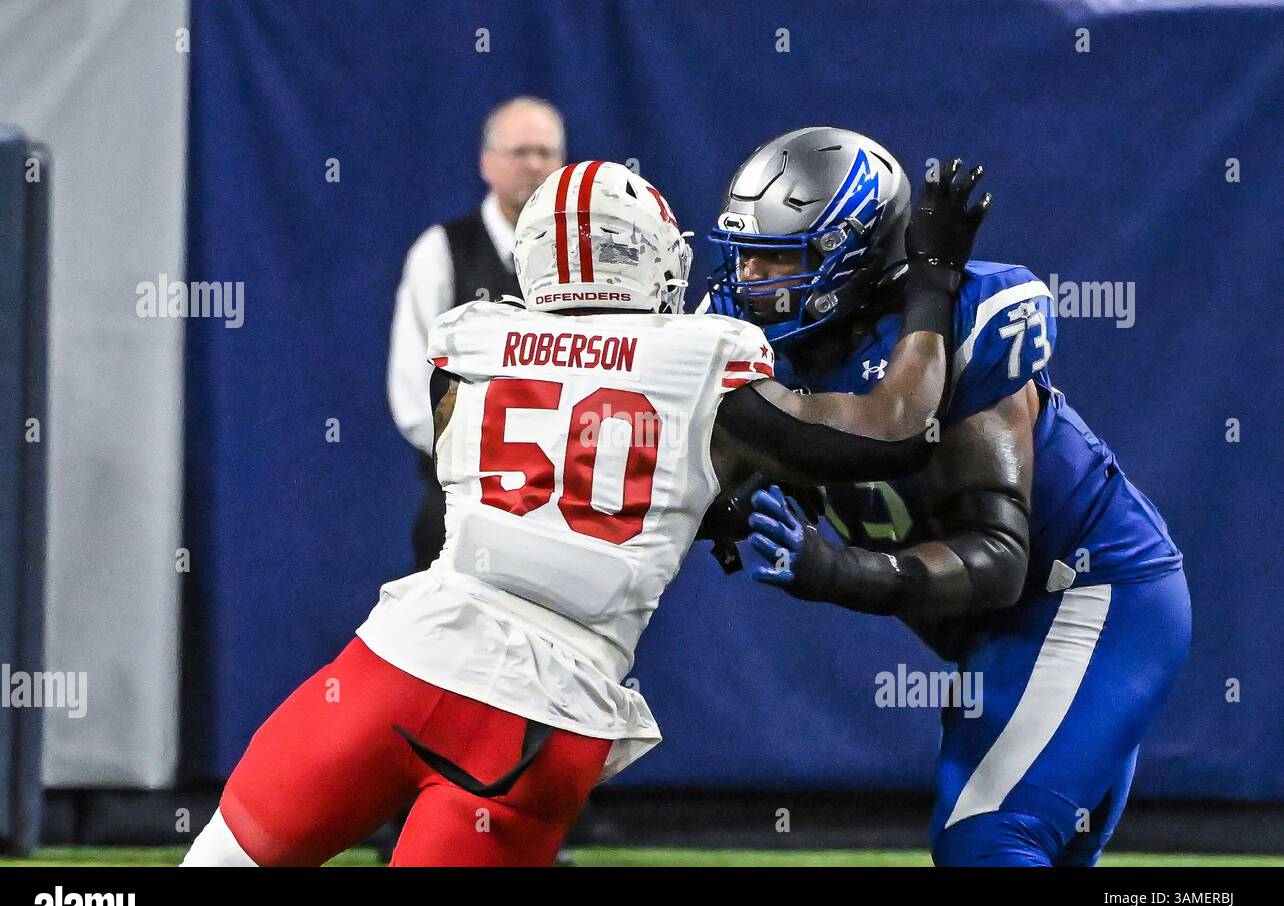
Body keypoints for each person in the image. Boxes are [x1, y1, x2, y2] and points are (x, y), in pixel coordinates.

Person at [182, 155, 985, 866]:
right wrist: (933, 280)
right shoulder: (703, 363)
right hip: (542, 714)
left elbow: (548, 453)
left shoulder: (470, 344)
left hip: (398, 663)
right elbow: (897, 430)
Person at [709, 127, 1190, 866]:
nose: (752, 278)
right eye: (745, 254)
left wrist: (835, 570)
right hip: (993, 633)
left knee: (988, 837)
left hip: (1089, 594)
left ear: (853, 253)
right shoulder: (749, 350)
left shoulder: (965, 320)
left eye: (781, 257)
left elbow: (995, 561)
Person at [388, 96, 567, 570]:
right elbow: (413, 394)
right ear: (487, 162)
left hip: (563, 513)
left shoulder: (581, 260)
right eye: (519, 152)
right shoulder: (442, 250)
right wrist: (494, 461)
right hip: (460, 508)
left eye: (546, 153)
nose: (534, 165)